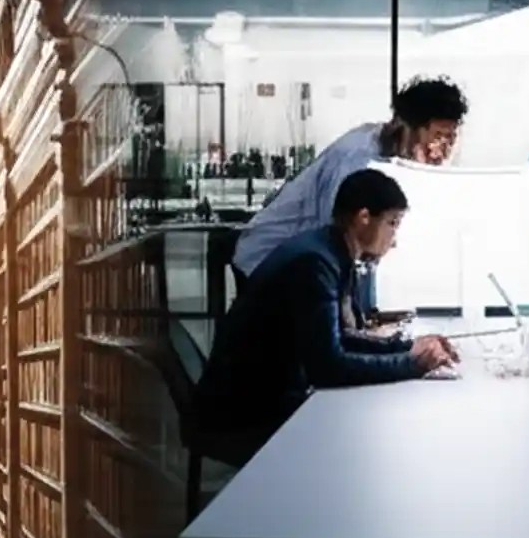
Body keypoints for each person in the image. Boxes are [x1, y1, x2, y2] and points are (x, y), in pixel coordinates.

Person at [195, 169, 459, 466]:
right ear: (363, 218)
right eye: (392, 224)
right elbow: (328, 367)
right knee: (367, 448)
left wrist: (405, 347)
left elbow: (337, 339)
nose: (393, 240)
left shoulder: (326, 250)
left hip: (262, 400)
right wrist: (412, 365)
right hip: (243, 415)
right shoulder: (315, 263)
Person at [230, 76, 469, 314]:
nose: (443, 151)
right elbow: (338, 237)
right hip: (266, 261)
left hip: (303, 265)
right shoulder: (357, 159)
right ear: (404, 126)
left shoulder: (389, 156)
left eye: (451, 138)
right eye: (438, 136)